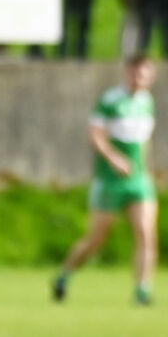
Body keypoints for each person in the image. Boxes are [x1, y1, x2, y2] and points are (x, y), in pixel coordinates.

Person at [54, 55, 159, 305]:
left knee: (146, 233)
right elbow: (96, 136)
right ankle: (64, 275)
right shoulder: (111, 101)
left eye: (144, 74)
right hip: (109, 180)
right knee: (96, 239)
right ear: (127, 73)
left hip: (138, 180)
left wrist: (145, 170)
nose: (139, 79)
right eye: (135, 73)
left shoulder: (146, 101)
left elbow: (144, 143)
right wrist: (114, 158)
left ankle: (142, 291)